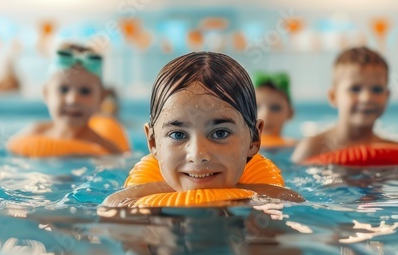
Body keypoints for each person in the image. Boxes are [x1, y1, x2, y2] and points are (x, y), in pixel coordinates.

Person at [102, 52, 304, 207]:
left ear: (254, 140)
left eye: (220, 133)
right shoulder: (133, 209)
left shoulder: (271, 205)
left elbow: (292, 202)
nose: (197, 155)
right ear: (153, 142)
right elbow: (111, 206)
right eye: (178, 134)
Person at [6, 43, 127, 157]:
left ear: (101, 98)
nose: (73, 99)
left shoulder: (104, 148)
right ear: (46, 94)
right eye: (63, 89)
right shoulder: (35, 130)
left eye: (85, 91)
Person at [290, 47, 398, 163]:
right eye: (355, 89)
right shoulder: (312, 148)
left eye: (377, 89)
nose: (366, 98)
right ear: (333, 96)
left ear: (387, 96)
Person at [253, 71, 296, 149]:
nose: (266, 114)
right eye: (256, 107)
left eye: (275, 108)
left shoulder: (294, 146)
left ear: (290, 113)